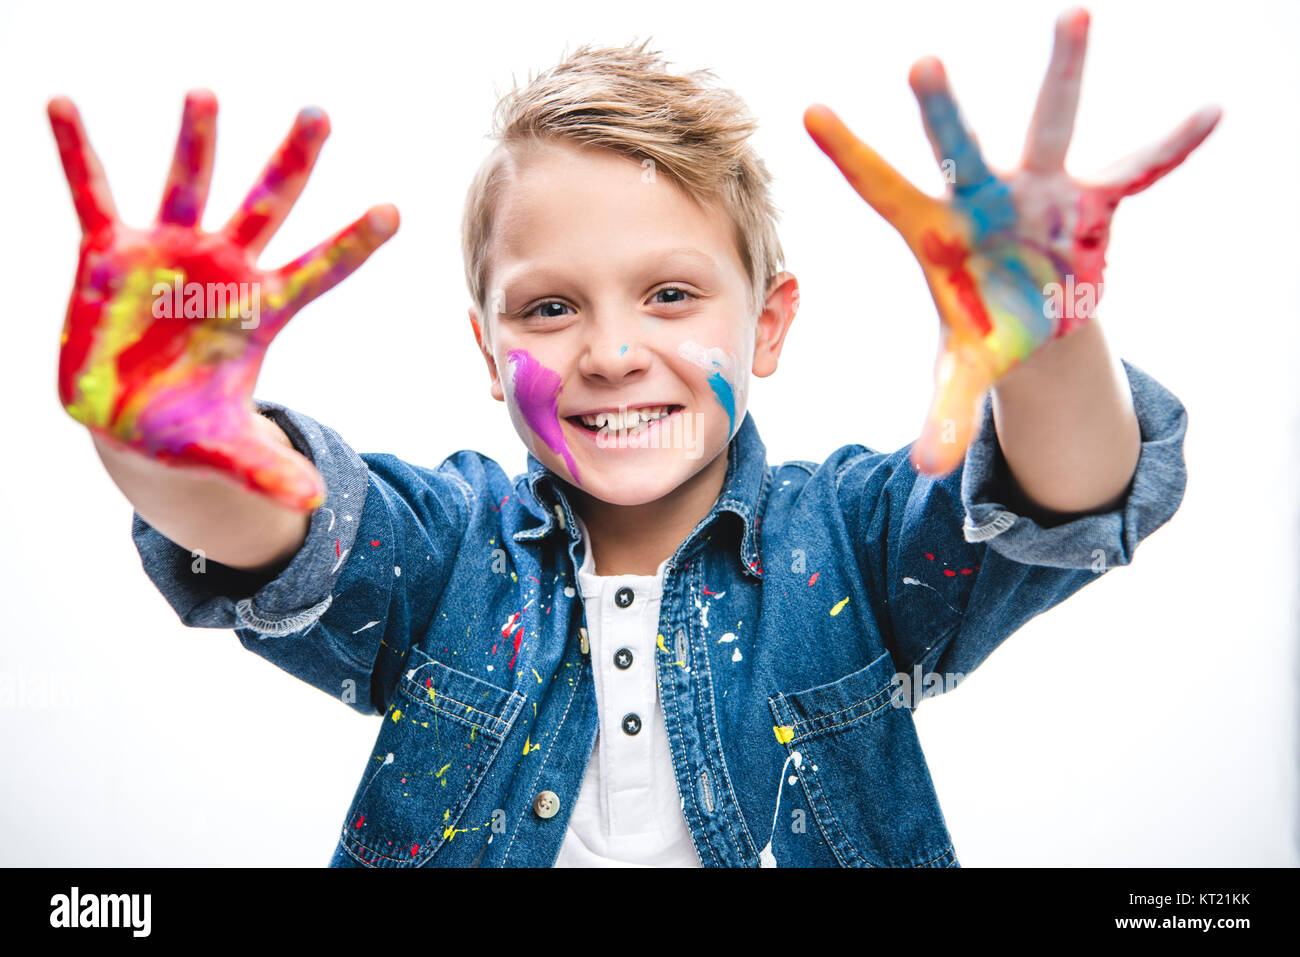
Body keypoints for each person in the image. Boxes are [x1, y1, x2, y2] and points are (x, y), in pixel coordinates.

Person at [49, 8, 1217, 866]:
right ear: (486, 352)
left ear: (768, 324)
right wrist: (163, 438)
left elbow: (1064, 496)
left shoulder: (850, 547)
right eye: (549, 308)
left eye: (668, 295)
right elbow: (266, 528)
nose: (609, 353)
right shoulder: (449, 552)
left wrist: (1047, 333)